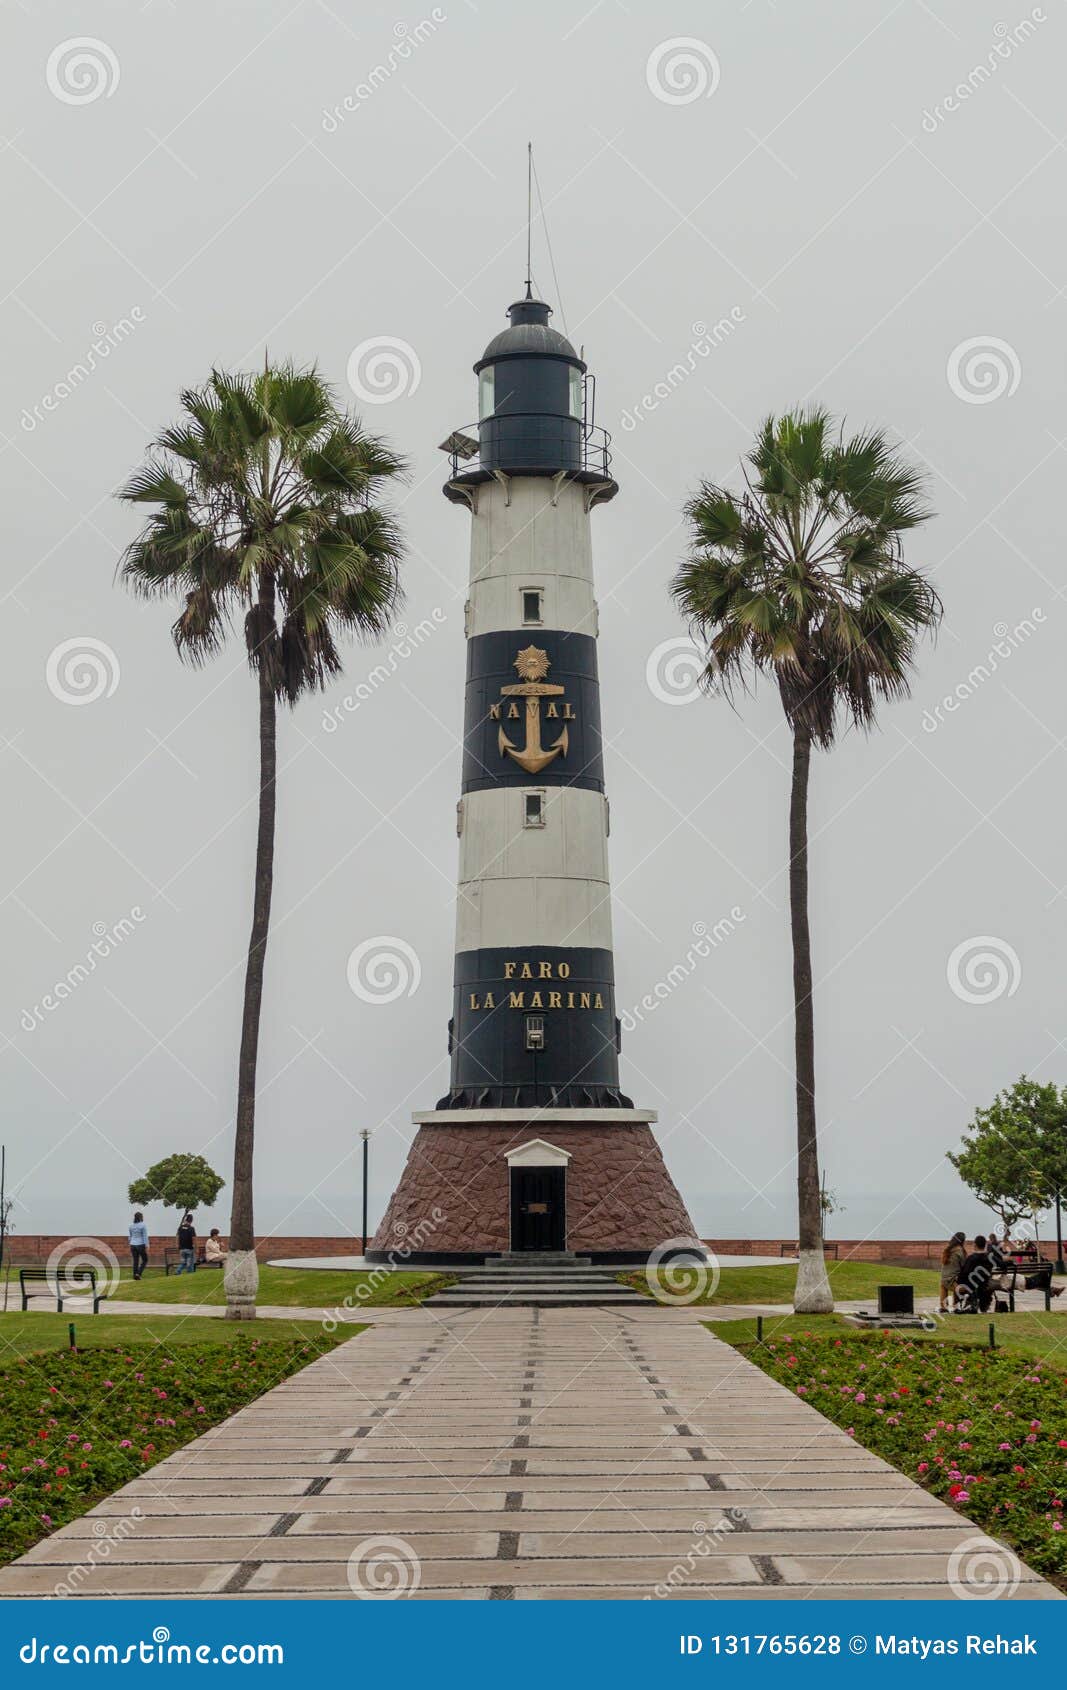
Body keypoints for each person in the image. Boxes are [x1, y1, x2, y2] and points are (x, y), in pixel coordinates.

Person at [957, 1235, 994, 1313]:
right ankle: (978, 1304)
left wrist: (959, 1280)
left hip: (971, 1285)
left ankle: (960, 1304)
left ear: (975, 1245)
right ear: (985, 1245)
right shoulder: (989, 1258)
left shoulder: (971, 1258)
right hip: (985, 1283)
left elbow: (964, 1273)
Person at [939, 1231, 967, 1312]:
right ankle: (956, 1307)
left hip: (944, 1280)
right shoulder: (959, 1251)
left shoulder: (947, 1250)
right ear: (962, 1241)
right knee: (960, 1282)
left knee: (943, 1284)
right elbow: (964, 1266)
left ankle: (943, 1307)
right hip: (953, 1281)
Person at [128, 1211, 149, 1281]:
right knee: (145, 1260)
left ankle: (135, 1275)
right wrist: (147, 1245)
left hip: (132, 1245)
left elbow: (130, 1236)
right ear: (141, 1217)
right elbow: (145, 1236)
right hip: (140, 1244)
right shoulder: (143, 1225)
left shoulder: (131, 1226)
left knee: (135, 1261)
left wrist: (130, 1243)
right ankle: (138, 1273)